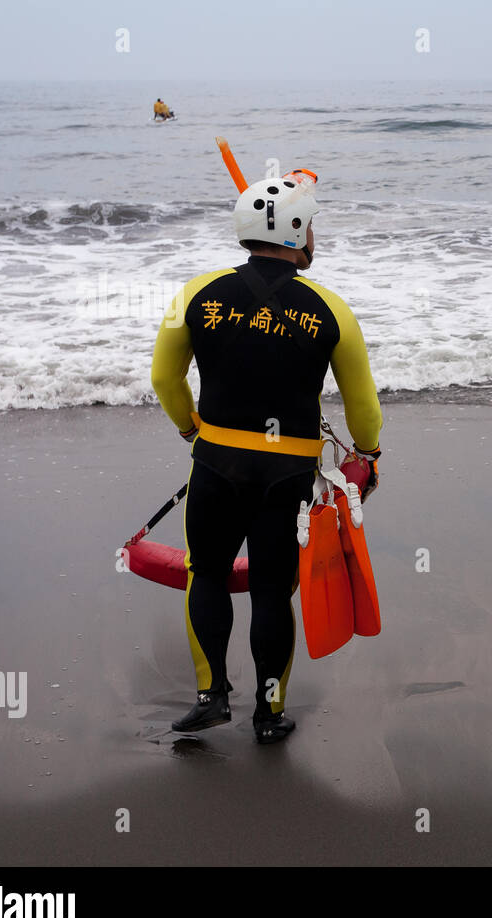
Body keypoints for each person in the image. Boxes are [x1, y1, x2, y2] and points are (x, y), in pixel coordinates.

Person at [150, 168, 382, 744]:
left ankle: (210, 699)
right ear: (298, 232)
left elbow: (164, 377)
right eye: (313, 229)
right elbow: (363, 407)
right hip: (289, 476)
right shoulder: (331, 309)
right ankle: (269, 713)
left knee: (205, 576)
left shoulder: (196, 295)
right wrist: (369, 455)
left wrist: (189, 429)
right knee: (272, 593)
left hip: (216, 465)